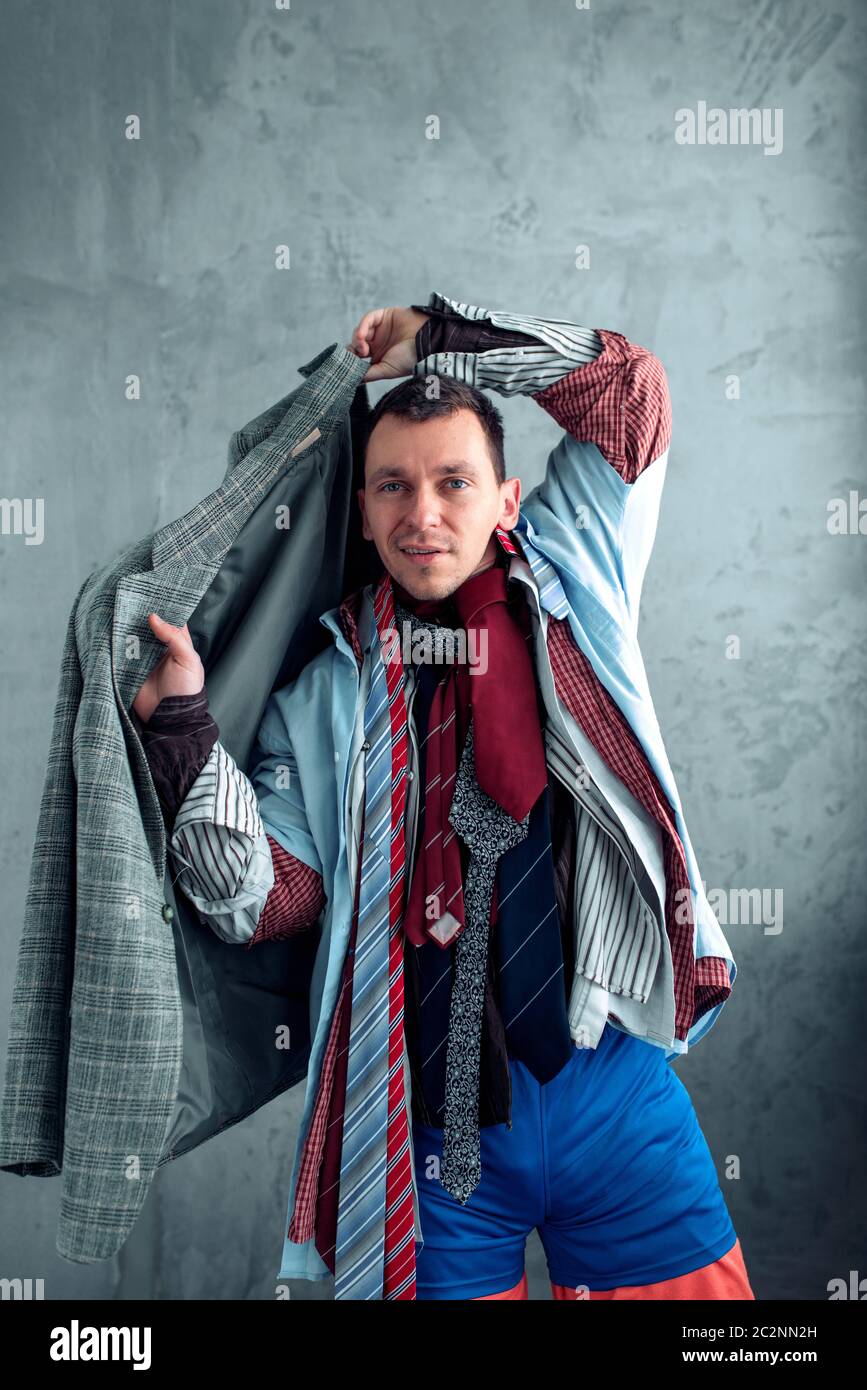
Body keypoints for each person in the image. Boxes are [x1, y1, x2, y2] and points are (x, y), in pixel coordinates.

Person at [131, 292, 755, 1301]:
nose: (424, 513)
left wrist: (451, 339)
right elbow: (265, 901)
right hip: (429, 1136)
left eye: (453, 482)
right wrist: (183, 732)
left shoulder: (573, 572)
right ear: (366, 512)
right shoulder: (321, 690)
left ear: (507, 499)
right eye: (394, 487)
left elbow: (630, 397)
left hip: (615, 1096)